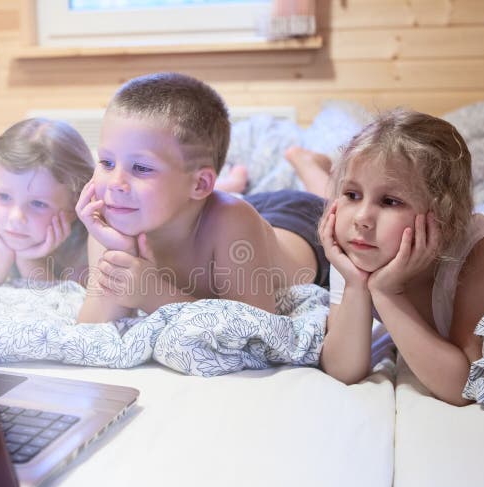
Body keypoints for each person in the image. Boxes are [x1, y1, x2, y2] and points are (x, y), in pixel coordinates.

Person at [318, 89, 484, 406]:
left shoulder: (480, 254)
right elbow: (343, 370)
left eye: (390, 201)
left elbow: (464, 386)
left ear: (441, 214)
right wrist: (357, 286)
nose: (361, 218)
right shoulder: (356, 246)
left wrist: (387, 294)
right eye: (352, 195)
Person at [75, 72, 330, 324]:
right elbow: (90, 332)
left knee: (333, 216)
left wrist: (152, 294)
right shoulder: (110, 219)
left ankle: (307, 165)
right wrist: (120, 252)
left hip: (297, 221)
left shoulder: (232, 224)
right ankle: (238, 182)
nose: (115, 184)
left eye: (141, 168)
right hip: (205, 206)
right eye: (107, 162)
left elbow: (255, 332)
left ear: (200, 183)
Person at [0, 118, 94, 286]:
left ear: (75, 206)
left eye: (38, 204)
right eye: (3, 196)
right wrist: (1, 257)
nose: (15, 217)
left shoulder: (86, 240)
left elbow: (67, 306)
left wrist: (29, 260)